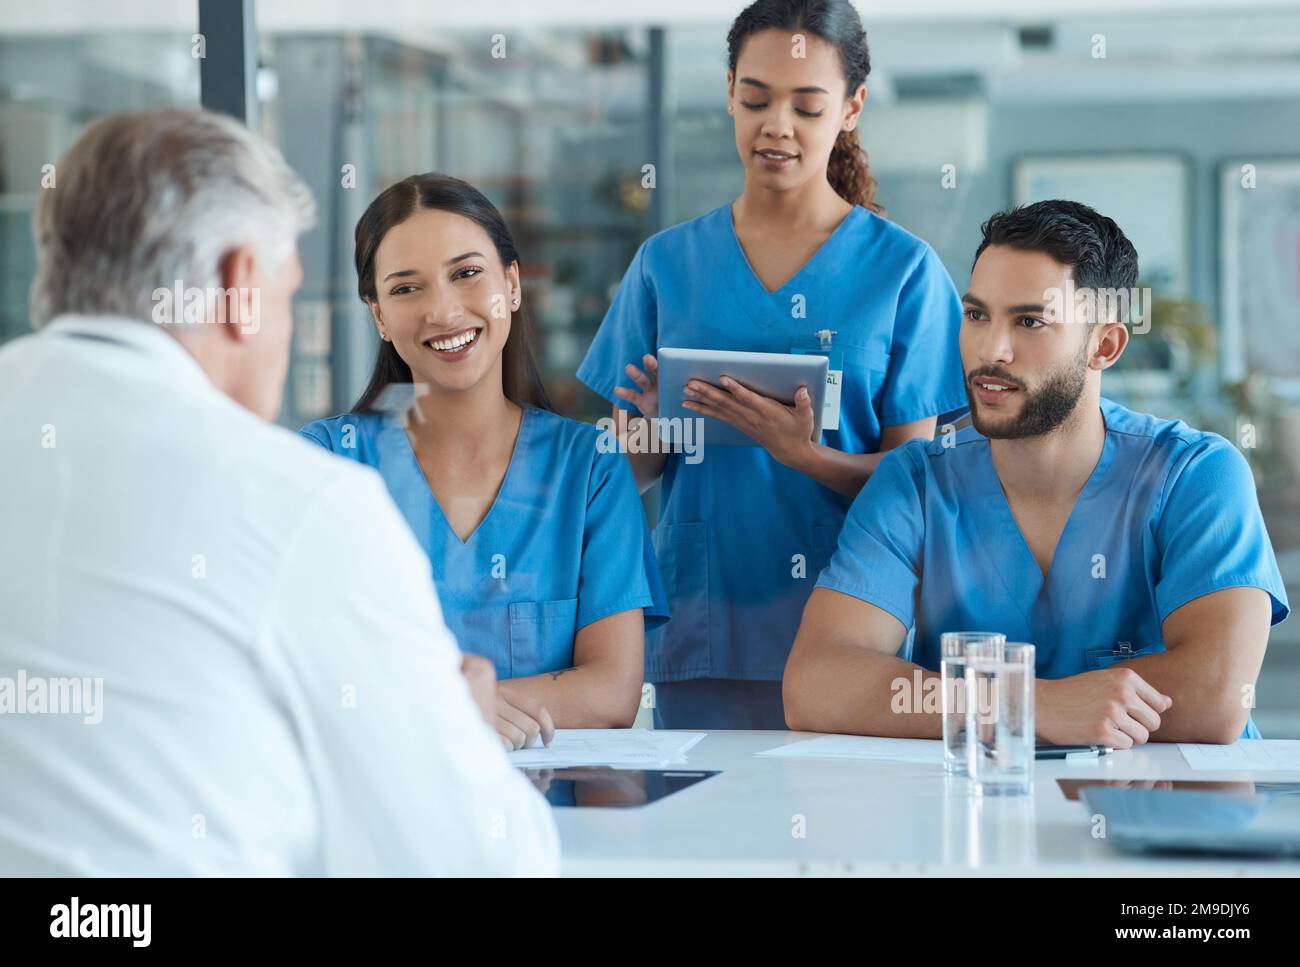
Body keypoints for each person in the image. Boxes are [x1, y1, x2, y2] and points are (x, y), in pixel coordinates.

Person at [0, 108, 558, 874]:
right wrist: (451, 726)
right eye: (288, 293)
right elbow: (481, 858)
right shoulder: (301, 501)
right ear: (239, 285)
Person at [576, 0, 966, 729]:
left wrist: (807, 456)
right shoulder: (667, 264)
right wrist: (655, 436)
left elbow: (920, 481)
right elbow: (625, 476)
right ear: (729, 92)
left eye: (807, 107)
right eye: (754, 99)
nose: (775, 126)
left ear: (850, 109)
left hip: (855, 639)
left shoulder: (902, 271)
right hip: (704, 627)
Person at [784, 199, 1290, 746]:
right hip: (983, 813)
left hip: (1179, 815)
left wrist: (982, 706)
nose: (990, 350)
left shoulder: (1196, 475)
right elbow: (816, 683)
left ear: (1104, 345)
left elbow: (1215, 700)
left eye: (1030, 321)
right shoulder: (915, 481)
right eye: (977, 315)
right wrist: (1027, 704)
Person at [301, 174, 668, 750]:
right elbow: (303, 673)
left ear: (512, 285)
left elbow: (612, 692)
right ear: (377, 315)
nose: (444, 311)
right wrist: (459, 711)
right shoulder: (327, 464)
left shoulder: (589, 469)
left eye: (467, 274)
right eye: (405, 289)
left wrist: (427, 707)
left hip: (557, 823)